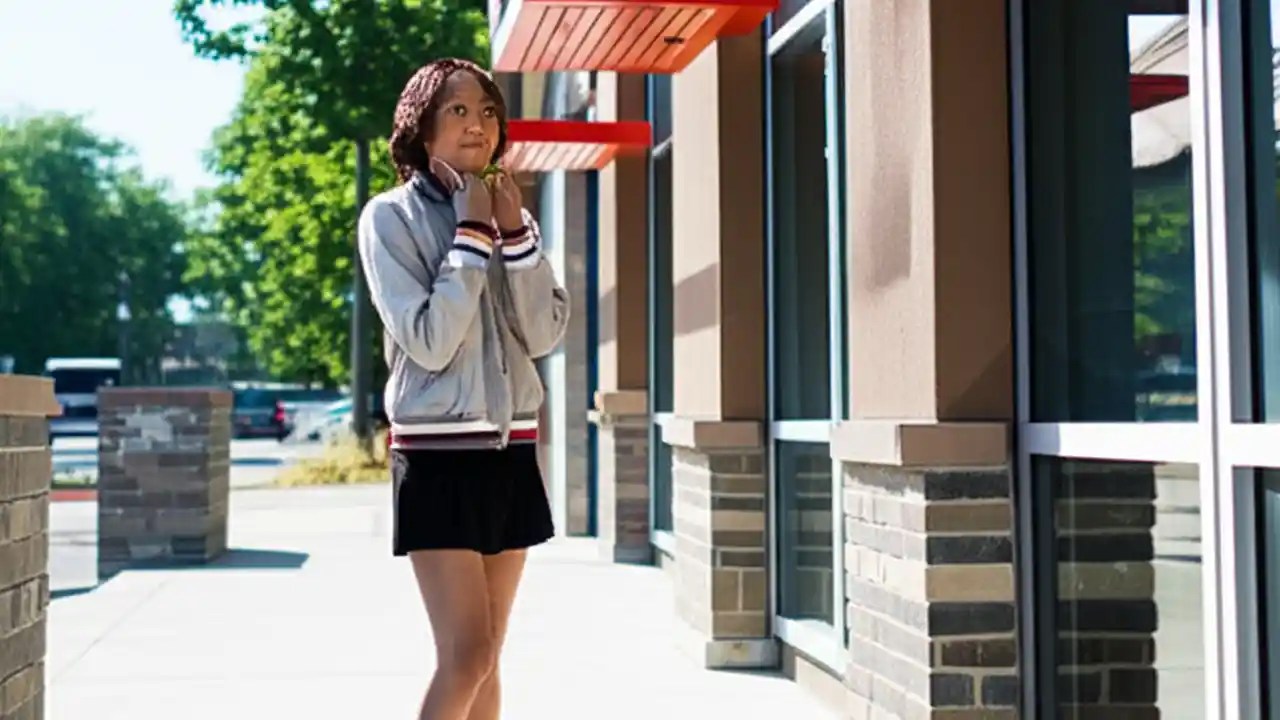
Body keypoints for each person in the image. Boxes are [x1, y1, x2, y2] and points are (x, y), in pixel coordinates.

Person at [357, 58, 570, 720]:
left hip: (509, 450)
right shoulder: (389, 218)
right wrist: (472, 237)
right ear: (422, 128)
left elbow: (544, 333)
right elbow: (428, 339)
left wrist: (514, 238)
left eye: (486, 110)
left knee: (489, 657)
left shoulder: (508, 211)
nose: (477, 124)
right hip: (438, 455)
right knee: (467, 655)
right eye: (457, 110)